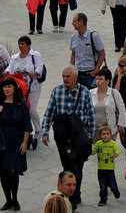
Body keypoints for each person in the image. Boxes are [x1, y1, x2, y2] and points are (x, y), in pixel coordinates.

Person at [41, 66, 97, 208]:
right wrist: (45, 132)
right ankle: (71, 195)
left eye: (68, 76)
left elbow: (91, 115)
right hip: (62, 136)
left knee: (77, 166)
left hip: (79, 136)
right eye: (63, 76)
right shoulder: (57, 90)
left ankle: (73, 196)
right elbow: (49, 112)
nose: (65, 79)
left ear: (75, 77)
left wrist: (90, 136)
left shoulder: (84, 92)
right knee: (68, 166)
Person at [0, 74, 31, 211]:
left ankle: (15, 198)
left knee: (13, 171)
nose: (7, 89)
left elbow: (27, 124)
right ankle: (8, 200)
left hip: (16, 142)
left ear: (14, 88)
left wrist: (25, 142)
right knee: (4, 172)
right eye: (4, 86)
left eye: (9, 86)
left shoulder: (21, 103)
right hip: (1, 143)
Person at [8, 34, 46, 146]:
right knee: (23, 111)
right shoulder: (15, 57)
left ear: (28, 45)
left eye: (23, 44)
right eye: (19, 43)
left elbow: (40, 67)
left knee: (32, 110)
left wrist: (35, 73)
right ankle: (26, 131)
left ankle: (39, 130)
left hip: (33, 87)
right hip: (20, 89)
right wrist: (6, 72)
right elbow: (10, 68)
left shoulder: (35, 55)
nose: (20, 46)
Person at [89, 67, 126, 145]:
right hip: (95, 130)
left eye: (101, 79)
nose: (98, 81)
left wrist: (121, 125)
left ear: (107, 81)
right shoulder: (90, 93)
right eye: (97, 79)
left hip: (109, 130)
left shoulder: (114, 93)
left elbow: (122, 110)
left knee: (108, 153)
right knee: (99, 153)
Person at [70, 12, 107, 89]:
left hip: (90, 75)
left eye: (74, 21)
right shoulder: (74, 37)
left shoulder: (93, 36)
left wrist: (96, 70)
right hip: (78, 75)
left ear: (81, 22)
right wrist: (71, 69)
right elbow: (73, 54)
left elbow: (102, 53)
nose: (72, 23)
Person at [92, 124, 122, 206]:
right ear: (100, 135)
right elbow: (93, 151)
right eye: (103, 134)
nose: (105, 136)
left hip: (110, 169)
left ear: (110, 135)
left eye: (107, 134)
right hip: (101, 169)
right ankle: (103, 199)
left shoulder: (112, 143)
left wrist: (116, 153)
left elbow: (117, 150)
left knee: (112, 184)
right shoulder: (98, 144)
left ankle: (115, 190)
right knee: (102, 185)